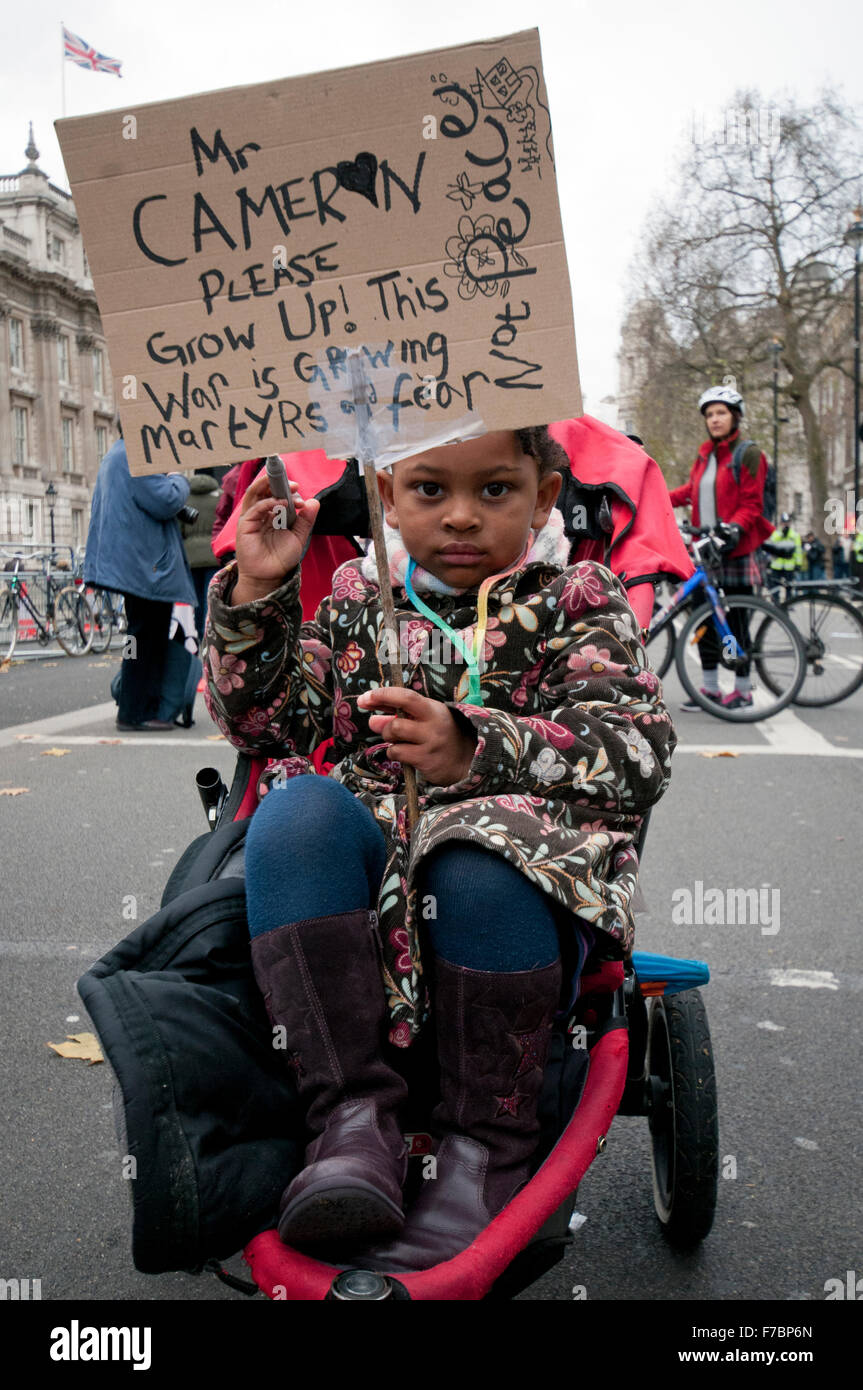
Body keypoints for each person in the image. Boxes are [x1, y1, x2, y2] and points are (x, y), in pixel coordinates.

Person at [202, 426, 675, 1272]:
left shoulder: (577, 597)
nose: (460, 517)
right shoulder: (355, 593)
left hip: (519, 879)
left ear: (543, 495)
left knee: (472, 860)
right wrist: (256, 595)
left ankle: (483, 1148)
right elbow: (265, 725)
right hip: (367, 877)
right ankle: (349, 1122)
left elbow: (635, 751)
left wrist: (476, 747)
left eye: (493, 491)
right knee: (291, 812)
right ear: (387, 497)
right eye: (428, 491)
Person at [668, 386, 773, 711]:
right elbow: (692, 491)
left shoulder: (749, 453)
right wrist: (658, 497)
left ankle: (743, 689)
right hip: (707, 550)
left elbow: (751, 504)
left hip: (736, 549)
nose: (715, 419)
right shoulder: (705, 456)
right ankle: (710, 689)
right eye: (710, 414)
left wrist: (734, 528)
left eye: (721, 413)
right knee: (702, 619)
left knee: (737, 621)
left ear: (735, 416)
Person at [85, 435, 197, 730]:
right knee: (147, 639)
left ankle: (132, 706)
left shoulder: (116, 453)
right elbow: (167, 499)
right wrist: (177, 477)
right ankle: (137, 712)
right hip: (146, 565)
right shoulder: (139, 454)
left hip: (131, 563)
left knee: (136, 638)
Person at [766, 513, 804, 591]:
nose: (785, 524)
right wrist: (781, 535)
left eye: (787, 522)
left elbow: (798, 551)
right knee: (775, 587)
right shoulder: (776, 534)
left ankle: (789, 601)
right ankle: (775, 602)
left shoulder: (795, 535)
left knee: (789, 588)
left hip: (789, 566)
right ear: (781, 523)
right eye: (784, 522)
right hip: (776, 566)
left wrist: (798, 564)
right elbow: (772, 546)